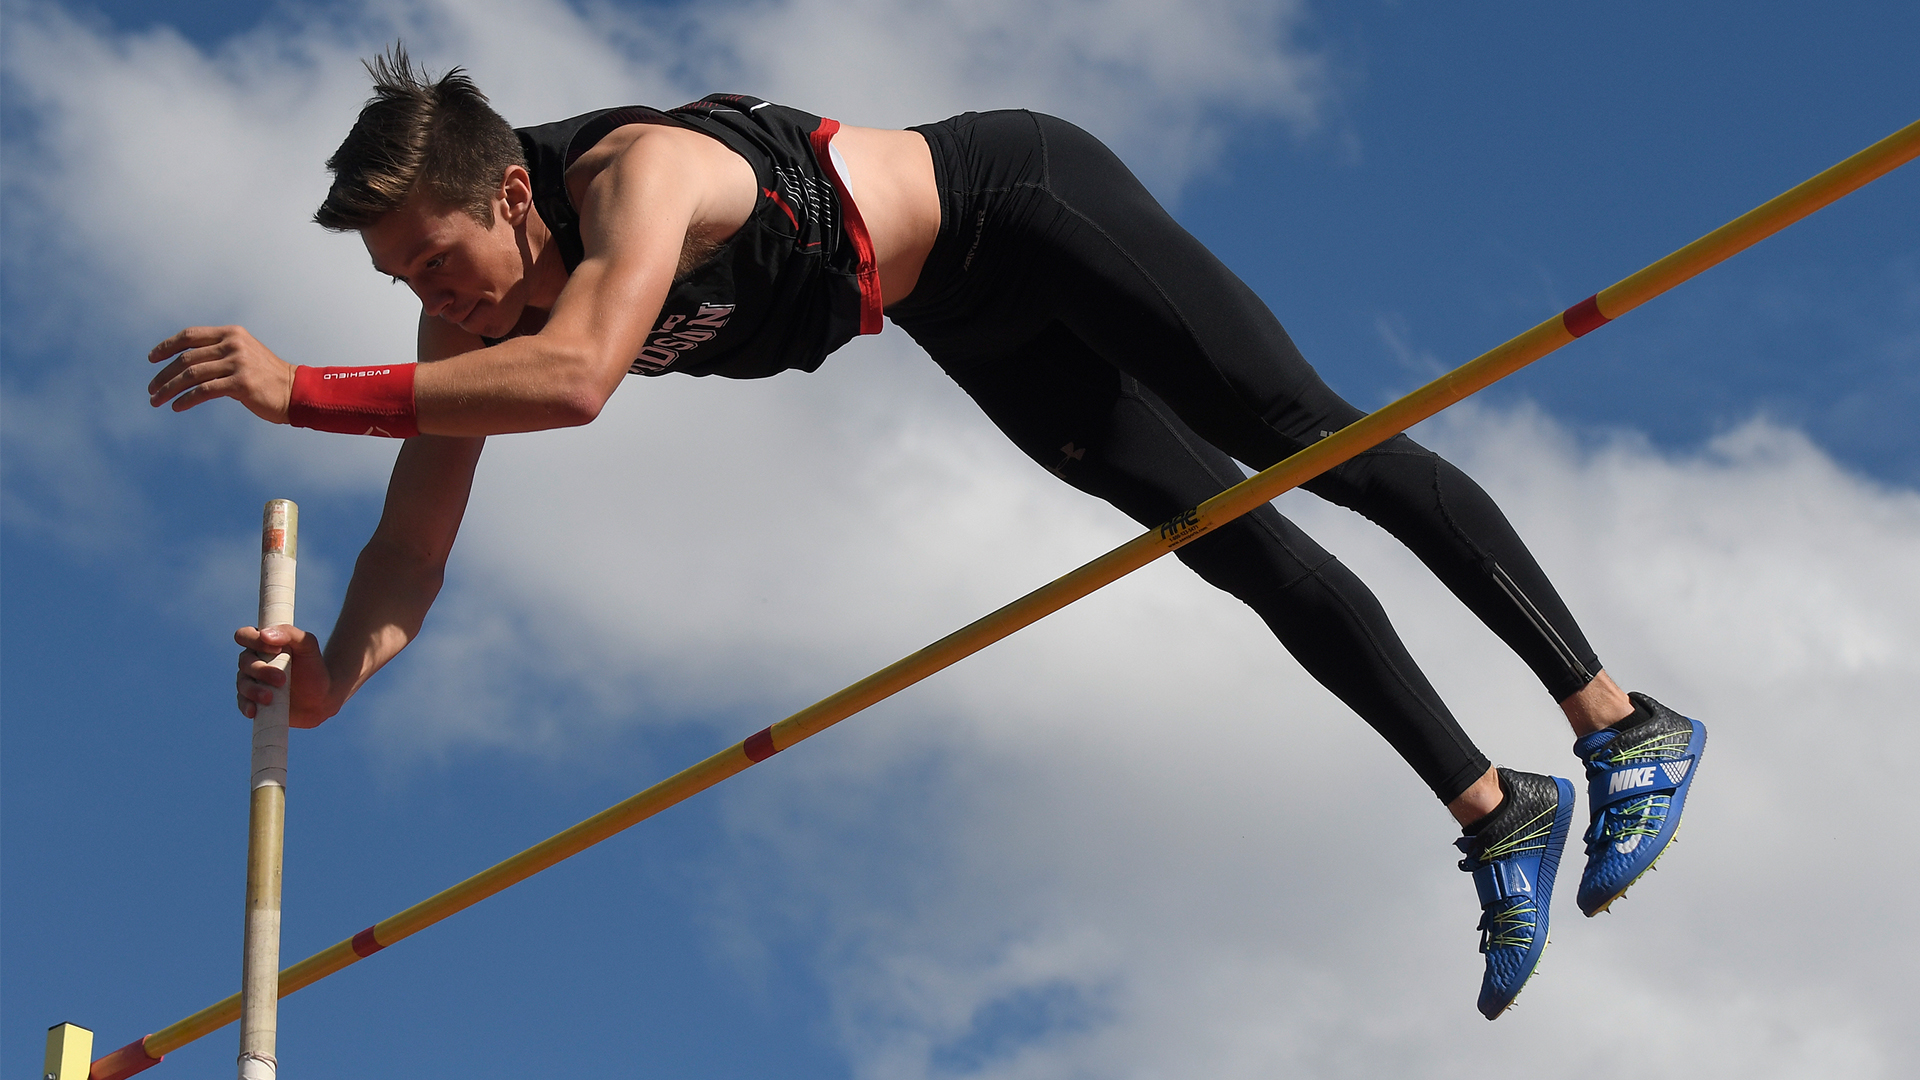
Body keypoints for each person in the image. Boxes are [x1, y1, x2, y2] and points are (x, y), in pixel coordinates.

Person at [147, 48, 1705, 1019]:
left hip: (1019, 201)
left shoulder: (636, 177)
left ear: (508, 189)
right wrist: (344, 673)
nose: (436, 307)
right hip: (960, 309)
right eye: (406, 292)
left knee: (1307, 439)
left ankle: (1618, 719)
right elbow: (412, 549)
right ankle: (1496, 806)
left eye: (441, 264)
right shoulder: (476, 310)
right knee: (1217, 536)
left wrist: (298, 395)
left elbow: (574, 383)